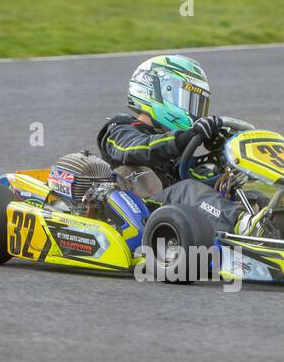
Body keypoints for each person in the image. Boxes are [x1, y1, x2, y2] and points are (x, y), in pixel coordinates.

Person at [96, 54, 258, 233]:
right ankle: (243, 226)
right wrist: (185, 137)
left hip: (176, 214)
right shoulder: (118, 129)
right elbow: (138, 149)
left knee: (251, 197)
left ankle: (275, 225)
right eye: (188, 101)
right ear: (156, 93)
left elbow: (193, 177)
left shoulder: (172, 144)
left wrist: (224, 170)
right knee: (187, 190)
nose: (193, 111)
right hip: (138, 208)